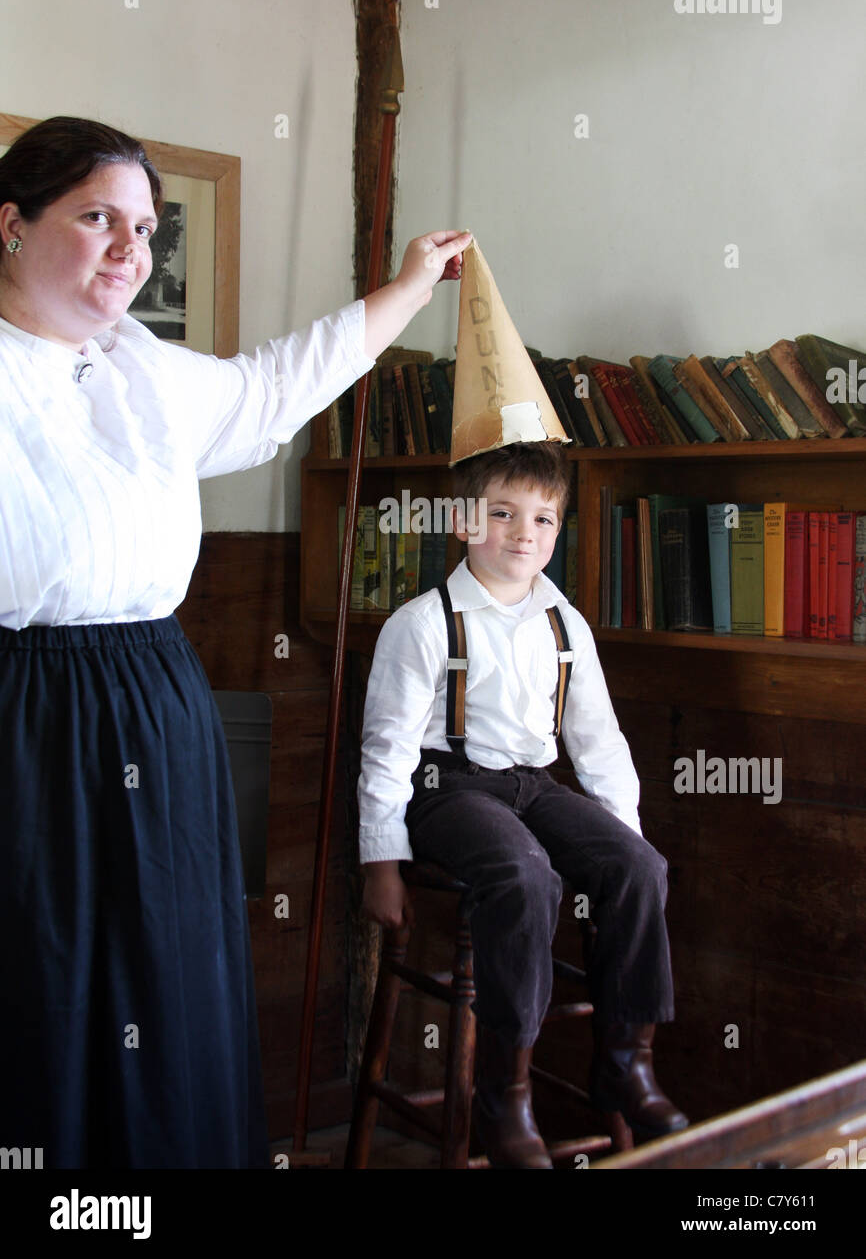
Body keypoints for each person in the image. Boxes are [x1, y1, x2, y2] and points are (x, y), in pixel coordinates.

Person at [0, 114, 473, 1169]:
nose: (132, 249)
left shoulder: (143, 371)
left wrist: (403, 290)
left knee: (165, 973)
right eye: (96, 218)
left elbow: (276, 384)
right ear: (11, 225)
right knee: (46, 977)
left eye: (146, 225)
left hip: (158, 704)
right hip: (27, 719)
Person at [358, 440, 689, 1168]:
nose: (522, 534)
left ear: (558, 532)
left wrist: (618, 842)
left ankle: (627, 1062)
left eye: (543, 520)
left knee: (641, 868)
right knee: (523, 873)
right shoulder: (421, 624)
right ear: (462, 521)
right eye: (502, 513)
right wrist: (380, 859)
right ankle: (504, 1093)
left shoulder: (565, 625)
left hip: (536, 785)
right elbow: (387, 749)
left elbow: (598, 741)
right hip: (448, 786)